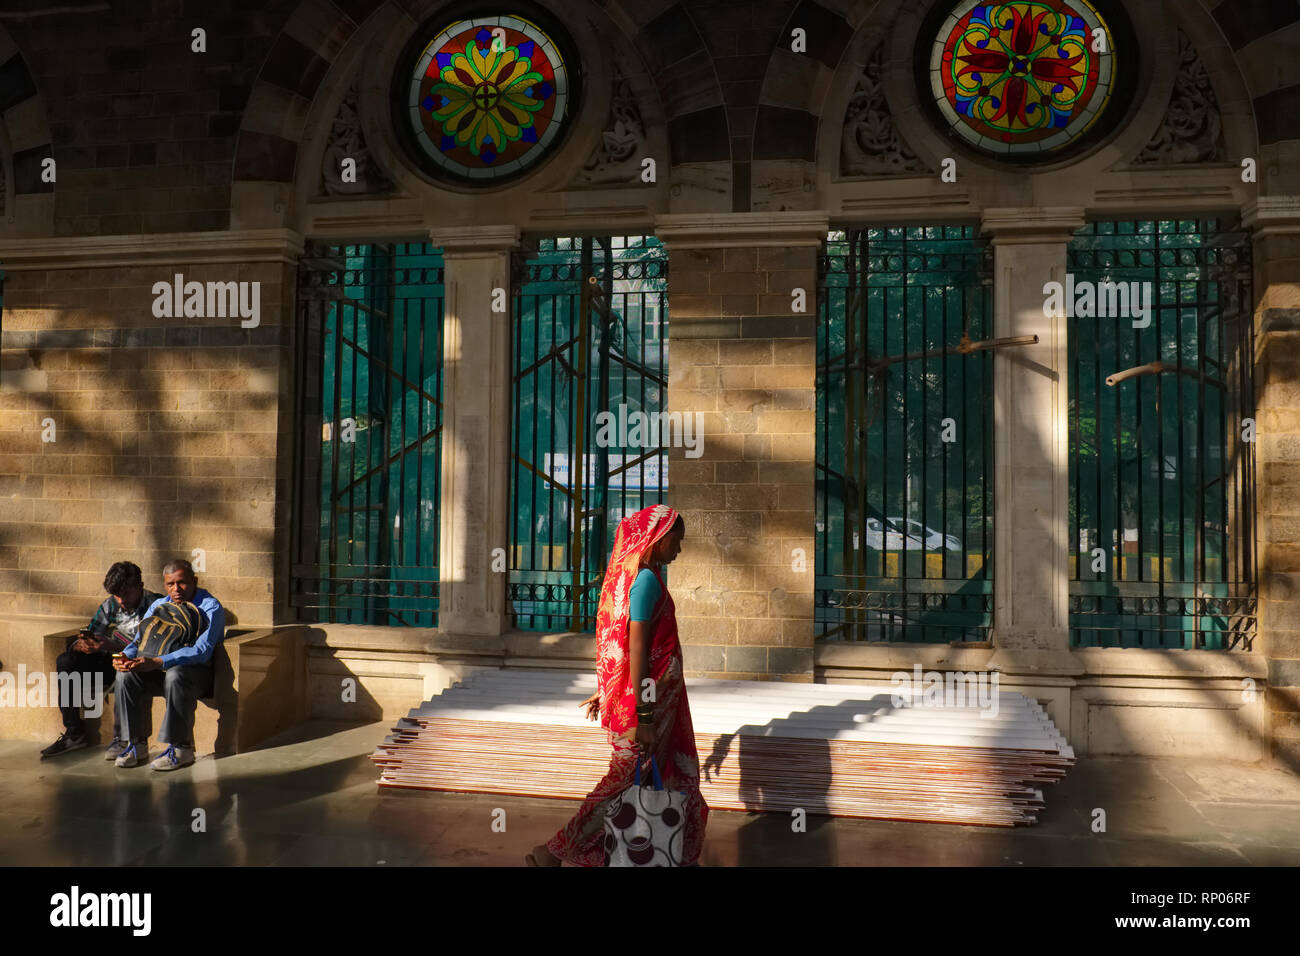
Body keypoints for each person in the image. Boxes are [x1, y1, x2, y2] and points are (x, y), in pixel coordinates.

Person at [528, 504, 708, 866]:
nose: (679, 549)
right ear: (658, 538)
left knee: (654, 778)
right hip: (647, 705)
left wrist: (609, 687)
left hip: (652, 699)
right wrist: (643, 715)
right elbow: (636, 645)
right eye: (677, 540)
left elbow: (619, 643)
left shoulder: (636, 577)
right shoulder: (644, 582)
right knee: (622, 781)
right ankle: (553, 851)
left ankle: (665, 851)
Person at [40, 562, 163, 760]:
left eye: (126, 594)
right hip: (108, 661)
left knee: (126, 669)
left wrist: (115, 646)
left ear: (140, 586)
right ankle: (74, 732)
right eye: (117, 595)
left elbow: (156, 648)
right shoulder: (110, 605)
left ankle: (125, 739)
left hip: (141, 665)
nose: (122, 601)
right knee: (66, 660)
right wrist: (83, 645)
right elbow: (94, 632)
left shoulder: (156, 605)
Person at [112, 558, 225, 771]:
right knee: (125, 676)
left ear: (194, 581)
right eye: (170, 584)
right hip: (158, 668)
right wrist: (126, 658)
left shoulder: (211, 607)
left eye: (182, 583)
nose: (176, 589)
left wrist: (158, 661)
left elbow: (201, 651)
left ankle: (181, 749)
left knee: (176, 674)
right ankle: (136, 745)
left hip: (196, 675)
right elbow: (139, 640)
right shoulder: (158, 605)